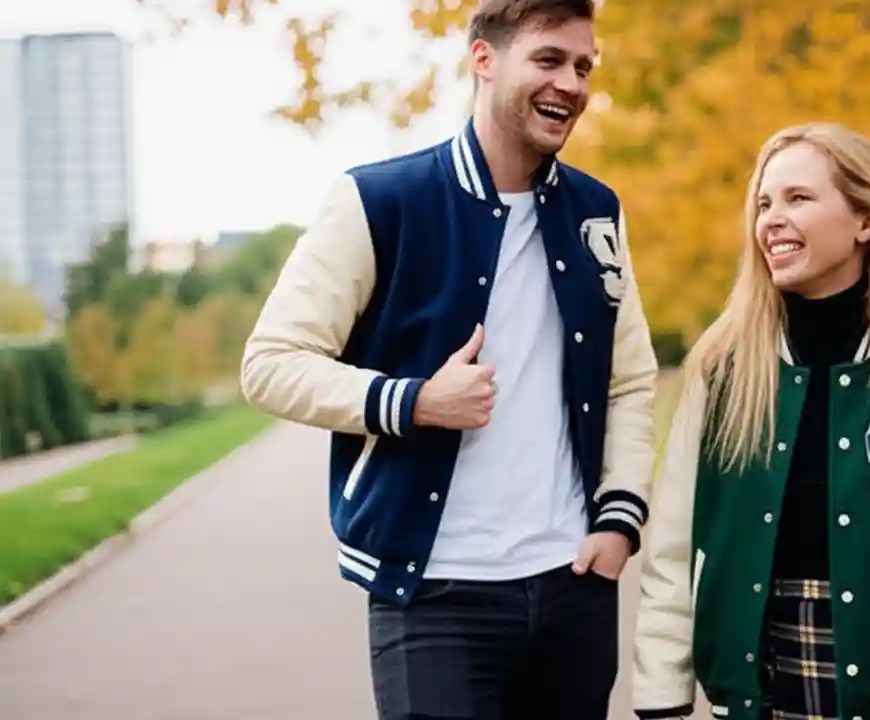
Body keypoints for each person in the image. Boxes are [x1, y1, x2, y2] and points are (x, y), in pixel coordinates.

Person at [240, 1, 659, 718]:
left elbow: (630, 382)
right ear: (483, 58)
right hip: (432, 598)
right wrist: (412, 402)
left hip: (574, 590)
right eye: (549, 60)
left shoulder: (597, 211)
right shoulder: (378, 201)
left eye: (584, 66)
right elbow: (272, 363)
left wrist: (619, 522)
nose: (572, 84)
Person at [631, 122, 870, 720]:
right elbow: (672, 556)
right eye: (764, 203)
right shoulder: (721, 368)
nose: (771, 219)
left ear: (867, 220)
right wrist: (662, 699)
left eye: (798, 198)